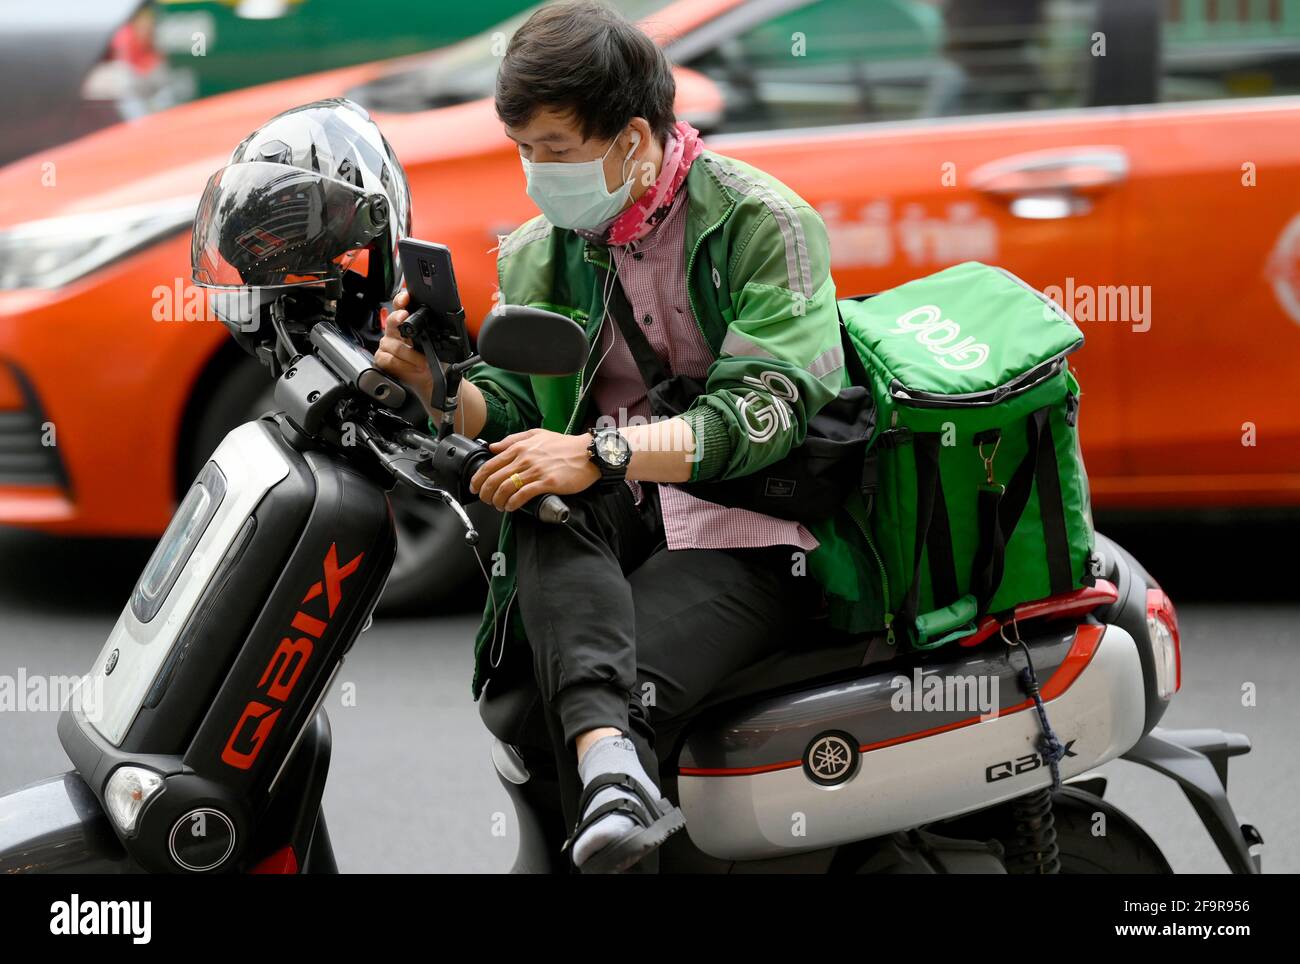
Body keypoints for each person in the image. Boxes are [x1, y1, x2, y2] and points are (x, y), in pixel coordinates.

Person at [374, 0, 851, 873]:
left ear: (632, 140)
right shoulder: (541, 250)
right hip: (615, 524)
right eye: (523, 151)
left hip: (754, 533)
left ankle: (609, 766)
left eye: (555, 151)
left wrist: (601, 452)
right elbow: (519, 412)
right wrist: (438, 389)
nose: (535, 174)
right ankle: (612, 775)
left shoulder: (760, 225)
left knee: (596, 699)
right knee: (527, 611)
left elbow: (768, 411)